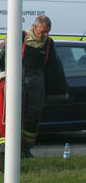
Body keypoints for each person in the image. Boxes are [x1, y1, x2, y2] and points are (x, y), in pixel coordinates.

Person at [19, 15, 67, 157]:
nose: (45, 35)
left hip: (36, 85)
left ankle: (25, 150)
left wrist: (61, 90)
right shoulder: (20, 37)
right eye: (42, 32)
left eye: (47, 32)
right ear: (34, 27)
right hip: (18, 82)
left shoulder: (48, 44)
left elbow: (55, 68)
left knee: (32, 117)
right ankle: (7, 149)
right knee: (15, 116)